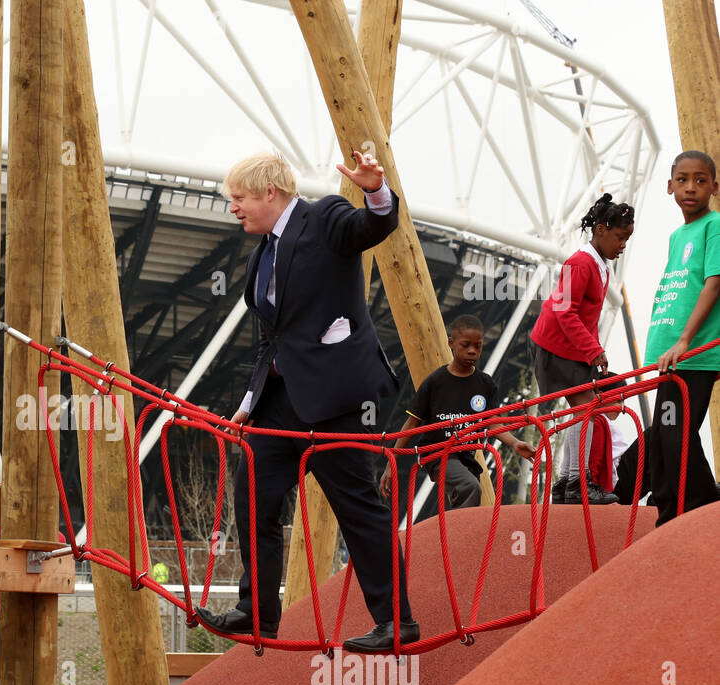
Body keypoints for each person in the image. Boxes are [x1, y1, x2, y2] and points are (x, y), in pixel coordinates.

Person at [195, 149, 415, 654]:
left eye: (240, 198)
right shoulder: (263, 254)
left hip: (338, 398)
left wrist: (375, 188)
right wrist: (251, 400)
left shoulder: (324, 218)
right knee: (254, 492)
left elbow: (375, 224)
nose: (233, 208)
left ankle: (395, 621)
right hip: (282, 399)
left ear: (270, 192)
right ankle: (257, 613)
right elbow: (274, 337)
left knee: (356, 505)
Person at [528, 193, 634, 504]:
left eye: (627, 238)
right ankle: (575, 481)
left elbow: (587, 317)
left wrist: (594, 350)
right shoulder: (579, 262)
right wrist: (592, 349)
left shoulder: (601, 265)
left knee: (580, 410)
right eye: (619, 237)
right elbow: (563, 310)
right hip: (554, 345)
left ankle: (566, 482)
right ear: (600, 230)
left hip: (571, 348)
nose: (623, 245)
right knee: (586, 408)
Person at [379, 315, 536, 510]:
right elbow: (411, 423)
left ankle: (453, 538)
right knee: (471, 488)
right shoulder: (435, 382)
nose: (472, 351)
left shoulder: (486, 384)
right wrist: (390, 463)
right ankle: (456, 538)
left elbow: (494, 423)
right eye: (465, 345)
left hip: (467, 456)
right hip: (437, 454)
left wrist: (515, 443)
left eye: (477, 346)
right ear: (451, 343)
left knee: (469, 504)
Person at [646, 151, 720, 526]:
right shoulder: (677, 235)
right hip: (671, 354)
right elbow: (675, 289)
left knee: (676, 436)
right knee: (663, 437)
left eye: (701, 180)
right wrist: (663, 343)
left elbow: (713, 282)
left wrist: (686, 340)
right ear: (670, 185)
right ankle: (668, 511)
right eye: (683, 179)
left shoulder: (714, 226)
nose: (691, 187)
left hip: (692, 355)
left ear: (714, 187)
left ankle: (703, 507)